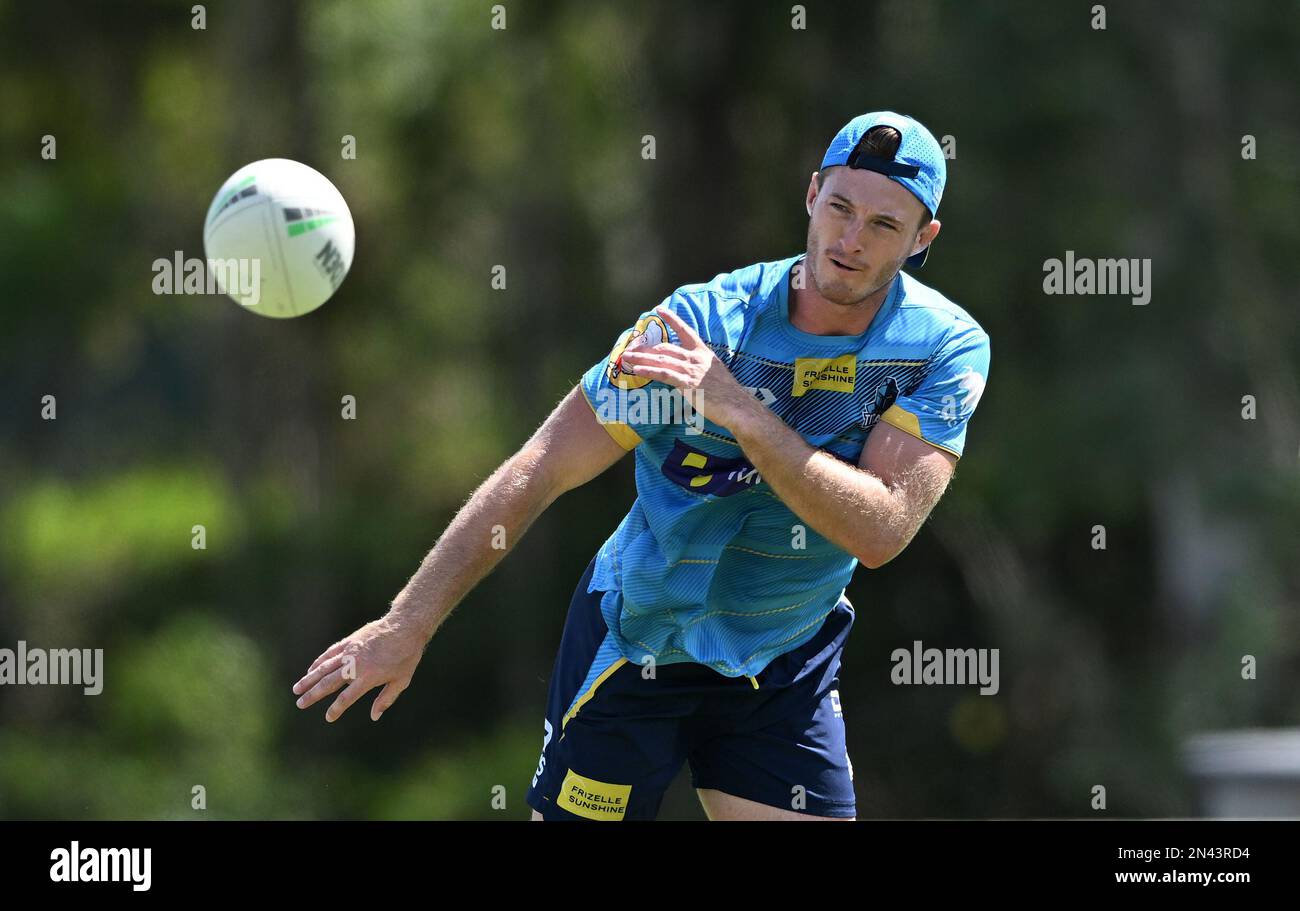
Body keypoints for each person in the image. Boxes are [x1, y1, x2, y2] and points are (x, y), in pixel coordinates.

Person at [293, 111, 990, 821]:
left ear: (922, 239)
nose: (850, 241)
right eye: (840, 207)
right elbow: (543, 465)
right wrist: (407, 622)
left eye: (883, 225)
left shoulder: (939, 349)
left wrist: (743, 413)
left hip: (783, 659)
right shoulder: (696, 329)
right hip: (636, 644)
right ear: (811, 193)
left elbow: (881, 531)